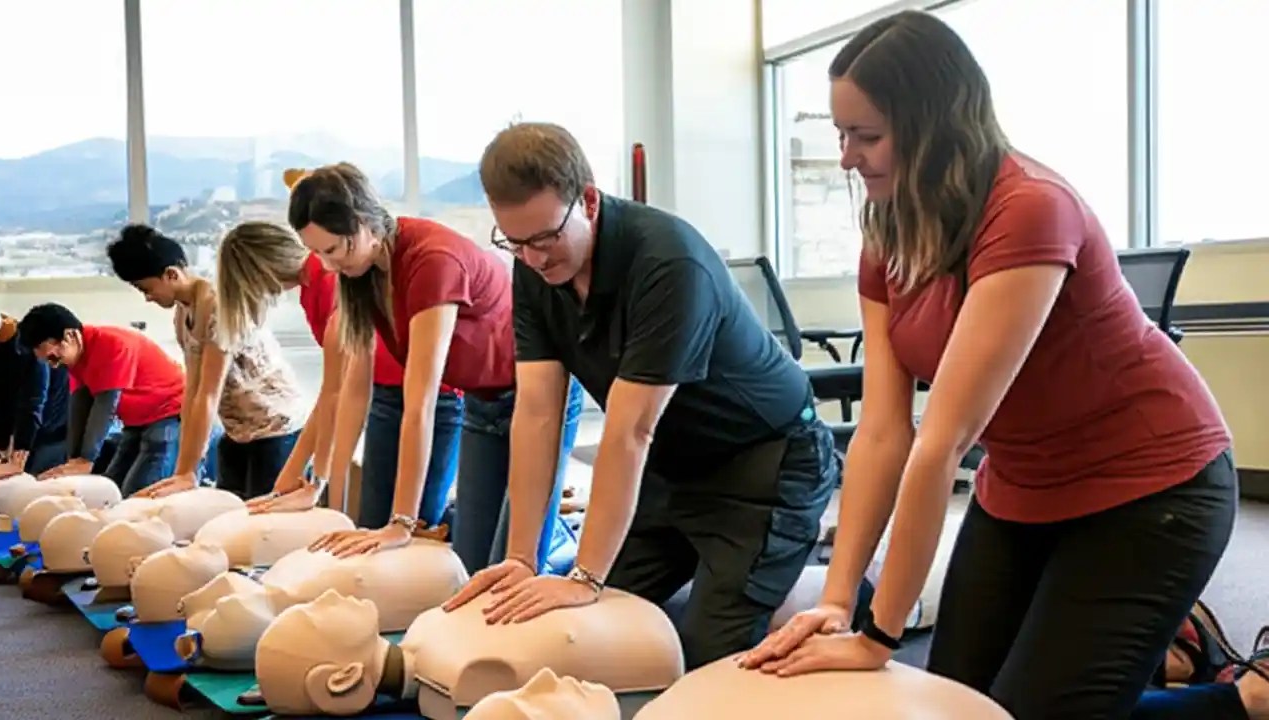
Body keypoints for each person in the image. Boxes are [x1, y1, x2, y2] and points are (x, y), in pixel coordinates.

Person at [736, 10, 1269, 720]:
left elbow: (942, 442)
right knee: (952, 701)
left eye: (867, 136)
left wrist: (877, 637)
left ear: (935, 126)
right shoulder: (887, 233)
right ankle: (1163, 646)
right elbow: (885, 434)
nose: (846, 157)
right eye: (841, 135)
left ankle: (1245, 699)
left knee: (1026, 713)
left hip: (1154, 490)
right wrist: (840, 601)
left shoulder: (1028, 209)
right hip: (1024, 488)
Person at [442, 122, 840, 672]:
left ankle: (838, 599)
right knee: (593, 623)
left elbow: (630, 432)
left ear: (588, 199)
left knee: (707, 652)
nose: (532, 258)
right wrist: (521, 557)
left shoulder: (667, 262)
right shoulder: (535, 268)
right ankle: (782, 584)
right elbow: (536, 415)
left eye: (544, 238)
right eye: (514, 242)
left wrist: (584, 576)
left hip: (766, 466)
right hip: (671, 468)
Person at [283, 162, 583, 573]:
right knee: (471, 564)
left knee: (513, 563)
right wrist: (334, 509)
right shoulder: (362, 274)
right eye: (317, 253)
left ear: (364, 222)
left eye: (334, 250)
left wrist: (401, 523)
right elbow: (353, 392)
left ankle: (566, 541)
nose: (328, 265)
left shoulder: (431, 260)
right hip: (483, 400)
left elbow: (420, 401)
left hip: (539, 393)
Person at [213, 216, 463, 527]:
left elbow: (336, 396)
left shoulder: (331, 281)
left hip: (433, 397)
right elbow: (333, 393)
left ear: (261, 272)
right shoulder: (310, 287)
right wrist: (294, 478)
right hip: (386, 392)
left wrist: (316, 480)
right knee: (376, 525)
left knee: (414, 524)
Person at [106, 224, 306, 500]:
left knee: (263, 524)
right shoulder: (183, 315)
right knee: (229, 515)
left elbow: (208, 394)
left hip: (276, 426)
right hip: (238, 431)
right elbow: (193, 393)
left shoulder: (217, 306)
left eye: (147, 289)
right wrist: (184, 470)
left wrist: (187, 472)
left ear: (171, 274)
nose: (148, 298)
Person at [17, 303, 185, 494]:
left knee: (136, 492)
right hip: (136, 423)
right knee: (110, 487)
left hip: (169, 413)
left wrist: (86, 461)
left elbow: (105, 406)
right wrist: (73, 460)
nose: (54, 366)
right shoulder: (76, 357)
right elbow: (79, 404)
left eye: (54, 358)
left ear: (70, 335)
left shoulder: (111, 344)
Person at [0, 306, 69, 476]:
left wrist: (20, 448)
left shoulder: (29, 345)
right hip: (12, 429)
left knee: (31, 482)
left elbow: (33, 402)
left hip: (47, 432)